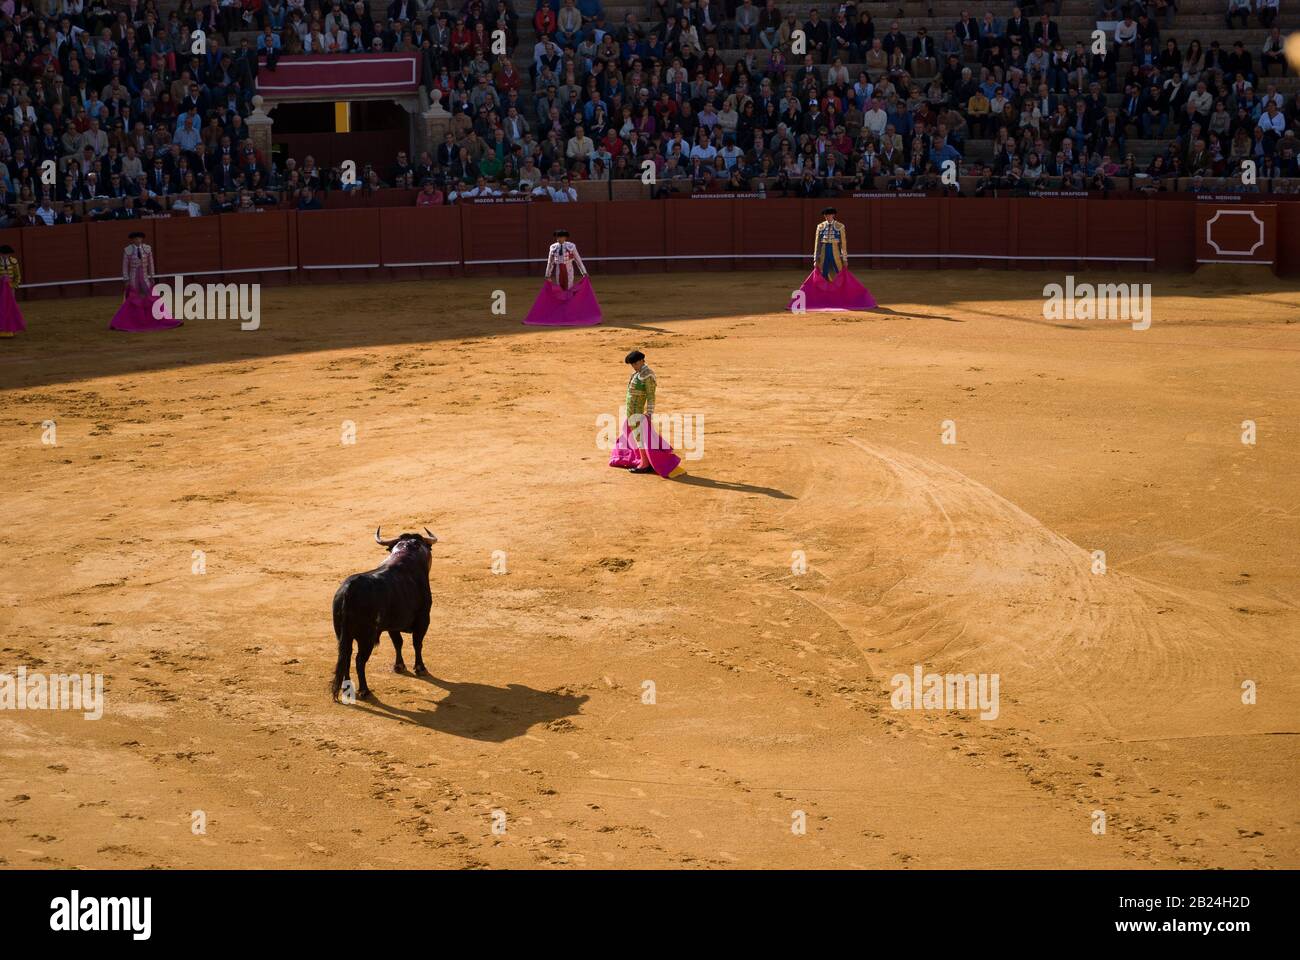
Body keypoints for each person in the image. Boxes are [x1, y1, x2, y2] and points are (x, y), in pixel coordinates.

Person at [789, 207, 878, 311]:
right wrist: (815, 259)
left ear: (833, 215)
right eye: (825, 215)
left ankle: (843, 297)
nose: (827, 217)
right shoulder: (820, 226)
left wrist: (845, 259)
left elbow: (843, 244)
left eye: (829, 215)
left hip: (835, 251)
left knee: (840, 274)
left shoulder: (840, 226)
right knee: (823, 275)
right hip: (823, 251)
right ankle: (824, 298)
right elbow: (817, 244)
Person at [111, 232, 182, 332]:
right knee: (133, 299)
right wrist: (126, 279)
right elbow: (125, 265)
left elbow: (151, 262)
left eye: (139, 238)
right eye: (136, 239)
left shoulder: (147, 249)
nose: (138, 240)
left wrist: (152, 276)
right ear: (132, 240)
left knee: (152, 296)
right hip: (133, 278)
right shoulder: (128, 250)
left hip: (145, 277)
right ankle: (129, 321)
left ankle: (159, 317)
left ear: (142, 239)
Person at [0, 244, 24, 337]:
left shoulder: (14, 261)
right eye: (3, 254)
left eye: (7, 254)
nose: (5, 255)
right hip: (0, 288)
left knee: (10, 307)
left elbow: (17, 275)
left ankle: (11, 327)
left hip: (10, 289)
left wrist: (13, 286)